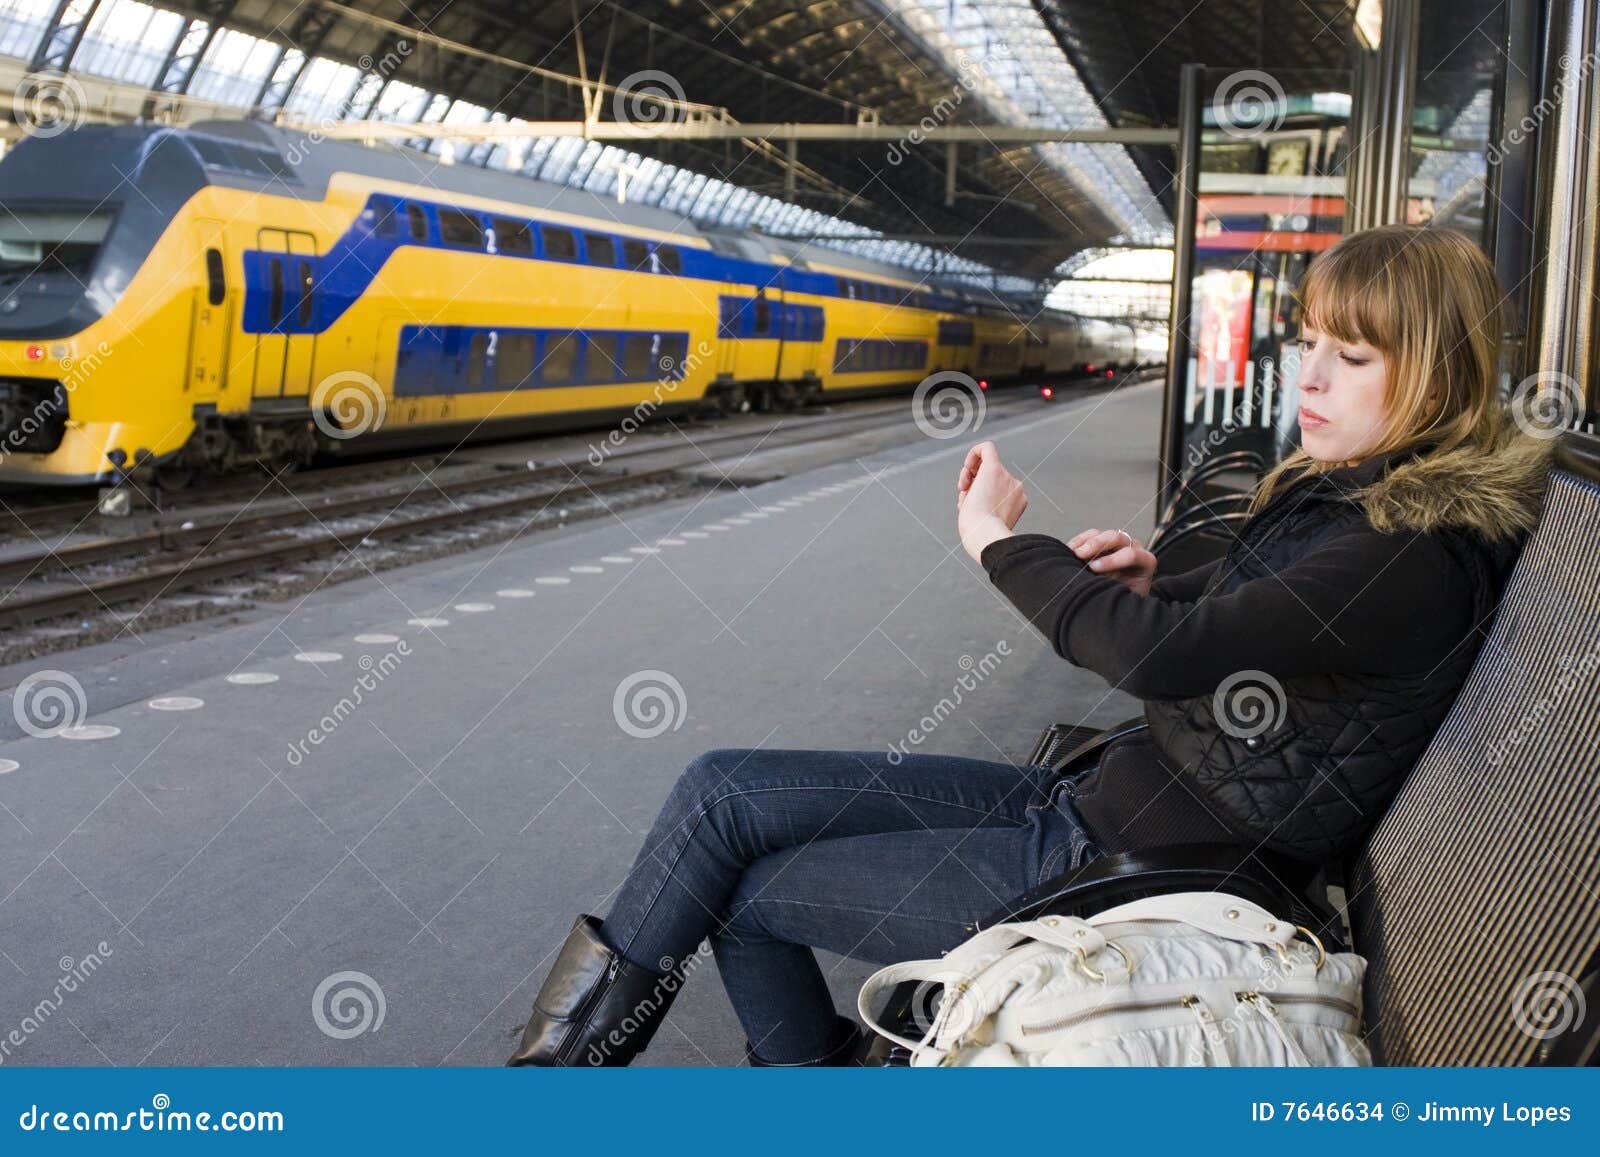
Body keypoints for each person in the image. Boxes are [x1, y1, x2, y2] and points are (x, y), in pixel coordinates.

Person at [505, 224, 1554, 1068]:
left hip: (1145, 872)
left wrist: (998, 546)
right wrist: (1157, 576)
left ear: (1430, 377)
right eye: (1308, 342)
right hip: (1096, 805)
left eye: (1350, 356)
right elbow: (1257, 618)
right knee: (721, 792)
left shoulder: (1410, 542)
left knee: (742, 892)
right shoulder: (1360, 502)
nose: (1309, 376)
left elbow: (1151, 656)